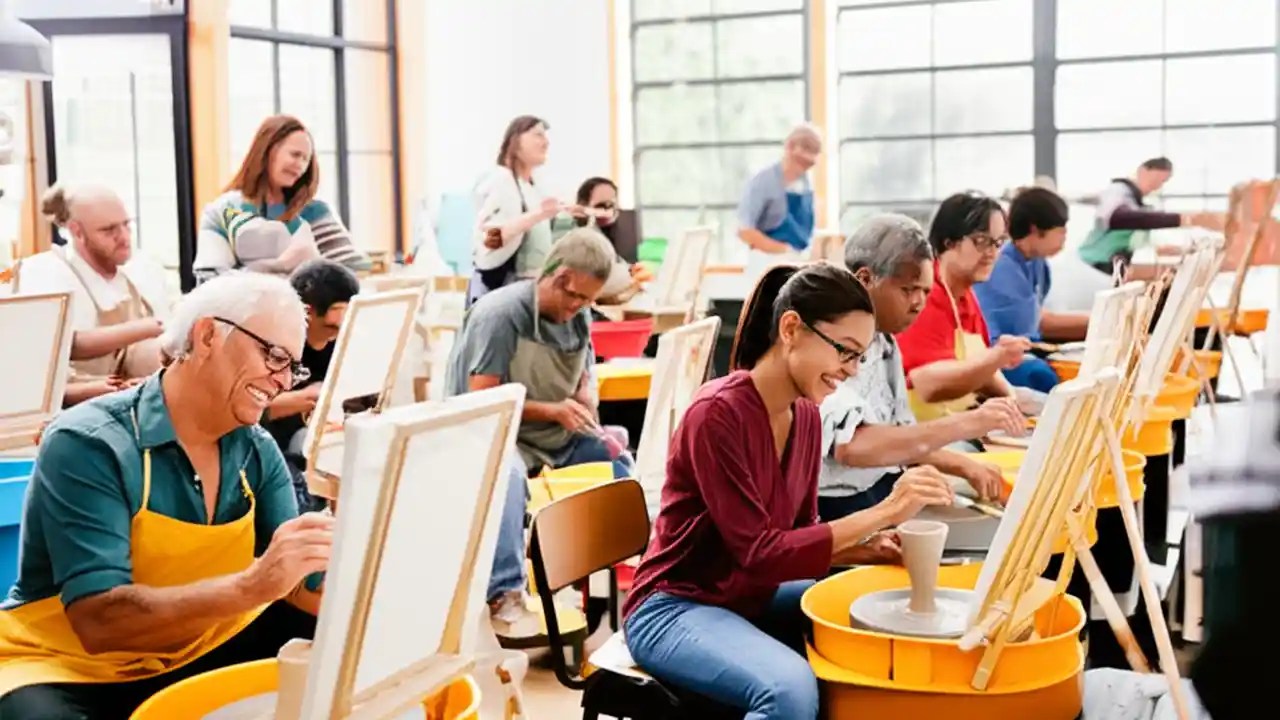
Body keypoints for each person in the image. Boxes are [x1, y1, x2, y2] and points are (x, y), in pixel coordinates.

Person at [623, 263, 955, 720]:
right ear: (791, 328)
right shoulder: (716, 414)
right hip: (676, 604)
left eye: (860, 358)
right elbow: (761, 553)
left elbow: (799, 536)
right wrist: (887, 509)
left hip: (742, 592)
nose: (851, 371)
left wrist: (867, 552)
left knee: (854, 617)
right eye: (845, 351)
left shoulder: (807, 418)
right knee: (789, 691)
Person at [0, 273, 332, 718]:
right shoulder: (90, 444)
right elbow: (100, 624)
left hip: (197, 643)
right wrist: (251, 586)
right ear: (208, 334)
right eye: (273, 356)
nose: (283, 381)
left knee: (322, 642)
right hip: (68, 664)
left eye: (293, 366)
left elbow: (298, 586)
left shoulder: (256, 448)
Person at [447, 228, 627, 635]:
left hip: (552, 435)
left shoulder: (579, 315)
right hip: (492, 435)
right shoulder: (500, 315)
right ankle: (505, 593)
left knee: (616, 459)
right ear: (559, 277)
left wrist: (585, 399)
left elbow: (585, 374)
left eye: (589, 301)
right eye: (576, 297)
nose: (580, 308)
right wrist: (553, 410)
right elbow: (483, 401)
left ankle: (613, 579)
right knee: (507, 478)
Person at [819, 214, 1026, 521]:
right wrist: (970, 423)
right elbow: (853, 446)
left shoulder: (885, 343)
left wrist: (964, 466)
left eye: (926, 292)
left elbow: (902, 437)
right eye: (908, 290)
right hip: (840, 506)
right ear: (865, 280)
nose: (918, 303)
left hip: (885, 487)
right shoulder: (830, 341)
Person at [12, 183, 171, 407]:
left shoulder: (142, 267)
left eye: (127, 225)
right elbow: (68, 345)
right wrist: (148, 327)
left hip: (137, 390)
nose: (123, 237)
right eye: (109, 230)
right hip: (83, 400)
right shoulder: (46, 272)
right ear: (77, 231)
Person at [896, 191, 1029, 423]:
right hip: (923, 430)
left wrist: (1011, 398)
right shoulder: (925, 296)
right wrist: (996, 358)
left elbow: (981, 369)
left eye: (998, 243)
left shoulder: (965, 295)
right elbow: (928, 384)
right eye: (981, 241)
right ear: (949, 242)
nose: (992, 253)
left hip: (959, 416)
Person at [194, 114, 371, 281]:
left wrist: (314, 269)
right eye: (295, 155)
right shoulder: (223, 210)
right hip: (241, 313)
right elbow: (209, 279)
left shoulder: (314, 213)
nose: (300, 166)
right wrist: (279, 266)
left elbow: (354, 269)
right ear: (267, 150)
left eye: (305, 159)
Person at [261, 259, 361, 514]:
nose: (335, 335)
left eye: (342, 327)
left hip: (313, 440)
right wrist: (302, 398)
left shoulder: (336, 342)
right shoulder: (267, 342)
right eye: (329, 326)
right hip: (270, 446)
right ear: (305, 313)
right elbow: (242, 412)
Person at [974, 187, 1090, 393]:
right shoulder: (1002, 268)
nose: (1065, 237)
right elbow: (1032, 324)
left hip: (1025, 346)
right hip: (1000, 355)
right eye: (1061, 230)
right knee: (1042, 376)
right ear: (1036, 230)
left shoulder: (1036, 263)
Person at [469, 115, 567, 307]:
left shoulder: (533, 187)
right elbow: (491, 239)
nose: (546, 142)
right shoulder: (501, 181)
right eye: (538, 135)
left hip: (530, 297)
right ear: (515, 140)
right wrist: (538, 214)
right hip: (505, 301)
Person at [1077, 157, 1212, 275]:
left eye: (1163, 182)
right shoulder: (1117, 190)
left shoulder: (1139, 205)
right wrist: (1185, 219)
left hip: (1113, 265)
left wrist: (1177, 249)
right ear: (1142, 171)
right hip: (1091, 264)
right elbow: (1117, 218)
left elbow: (1138, 240)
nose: (1157, 186)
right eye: (1156, 179)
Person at [736, 124, 822, 279]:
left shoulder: (806, 184)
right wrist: (784, 250)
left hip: (799, 266)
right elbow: (745, 231)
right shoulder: (763, 182)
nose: (805, 167)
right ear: (789, 147)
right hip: (767, 266)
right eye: (802, 161)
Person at [554, 177, 645, 305]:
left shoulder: (614, 233)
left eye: (612, 205)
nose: (607, 211)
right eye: (601, 205)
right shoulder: (572, 234)